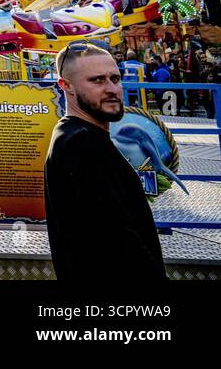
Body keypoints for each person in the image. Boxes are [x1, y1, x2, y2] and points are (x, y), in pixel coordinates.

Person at [44, 41, 165, 282]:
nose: (112, 89)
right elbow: (118, 237)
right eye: (97, 80)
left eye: (115, 79)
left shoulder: (77, 135)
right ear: (65, 85)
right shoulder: (81, 144)